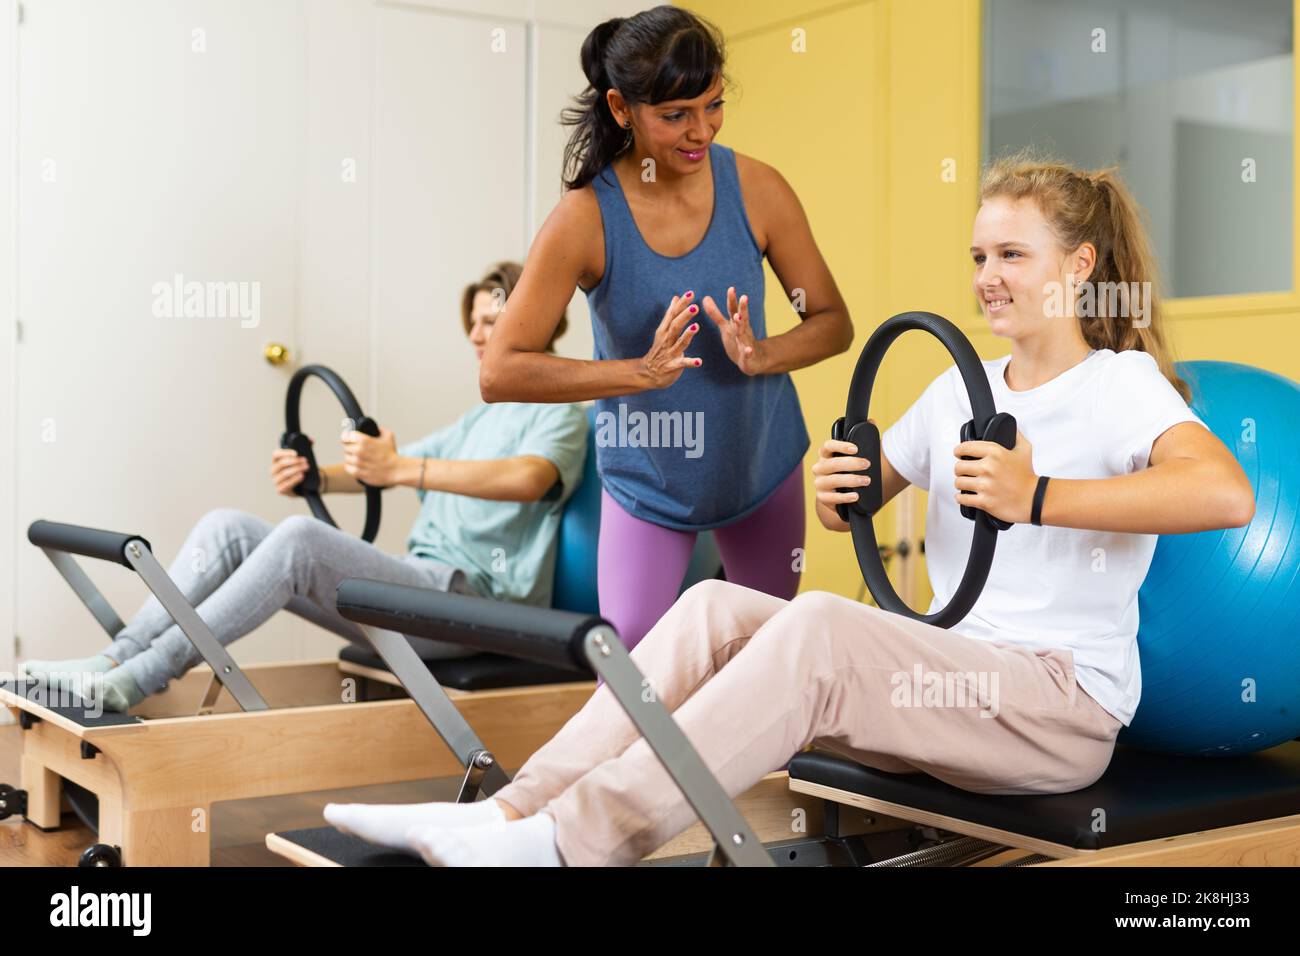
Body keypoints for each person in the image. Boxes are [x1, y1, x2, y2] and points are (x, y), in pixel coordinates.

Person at [324, 155, 1254, 866]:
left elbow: (1225, 493)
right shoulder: (961, 387)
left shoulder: (1118, 386)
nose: (988, 275)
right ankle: (511, 813)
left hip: (1056, 708)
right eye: (979, 256)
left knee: (815, 628)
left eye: (1014, 254)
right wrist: (842, 484)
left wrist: (1037, 495)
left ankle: (576, 843)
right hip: (958, 681)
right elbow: (866, 484)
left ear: (1080, 266)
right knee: (716, 606)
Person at [23, 262, 588, 712]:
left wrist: (400, 470)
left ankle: (140, 677)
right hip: (423, 589)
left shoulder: (558, 414)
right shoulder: (477, 420)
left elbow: (529, 478)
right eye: (471, 323)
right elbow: (387, 465)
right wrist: (318, 477)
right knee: (228, 527)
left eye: (489, 322)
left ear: (533, 322)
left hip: (478, 608)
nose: (474, 335)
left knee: (300, 541)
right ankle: (115, 659)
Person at [478, 7, 854, 647]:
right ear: (622, 109)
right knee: (633, 671)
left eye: (712, 105)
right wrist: (639, 373)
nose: (699, 131)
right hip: (650, 482)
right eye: (675, 115)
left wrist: (761, 354)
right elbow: (500, 370)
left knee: (761, 668)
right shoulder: (585, 218)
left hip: (758, 467)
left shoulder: (758, 189)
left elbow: (832, 322)